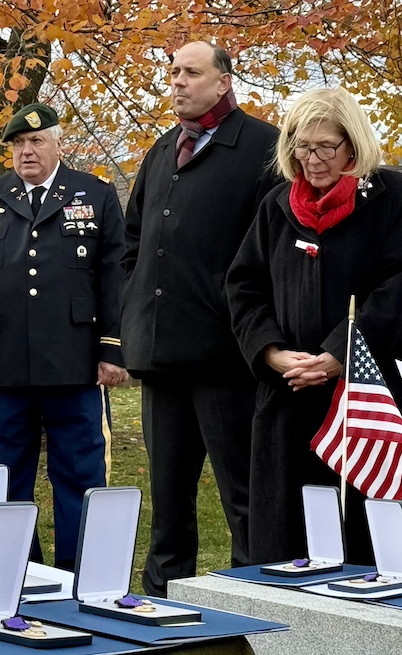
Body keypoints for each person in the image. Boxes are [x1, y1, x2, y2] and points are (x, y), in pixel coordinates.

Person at [226, 88, 402, 572]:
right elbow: (244, 287)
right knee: (293, 539)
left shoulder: (392, 196)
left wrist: (337, 354)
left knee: (372, 542)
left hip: (370, 392)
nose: (312, 159)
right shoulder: (277, 205)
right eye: (302, 147)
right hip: (291, 392)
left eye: (326, 146)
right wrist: (271, 352)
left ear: (353, 145)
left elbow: (397, 288)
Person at [121, 41, 279, 596]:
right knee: (168, 500)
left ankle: (254, 606)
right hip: (161, 355)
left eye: (191, 72)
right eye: (173, 72)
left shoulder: (264, 148)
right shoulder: (164, 148)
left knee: (244, 497)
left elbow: (272, 253)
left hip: (227, 357)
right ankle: (162, 604)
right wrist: (134, 304)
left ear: (224, 81)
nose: (178, 82)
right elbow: (134, 241)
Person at [0, 103, 128, 571]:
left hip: (75, 362)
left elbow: (114, 276)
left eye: (36, 141)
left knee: (81, 475)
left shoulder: (94, 194)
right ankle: (15, 571)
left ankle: (78, 573)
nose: (26, 151)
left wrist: (112, 347)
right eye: (18, 143)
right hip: (5, 364)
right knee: (4, 478)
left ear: (57, 144)